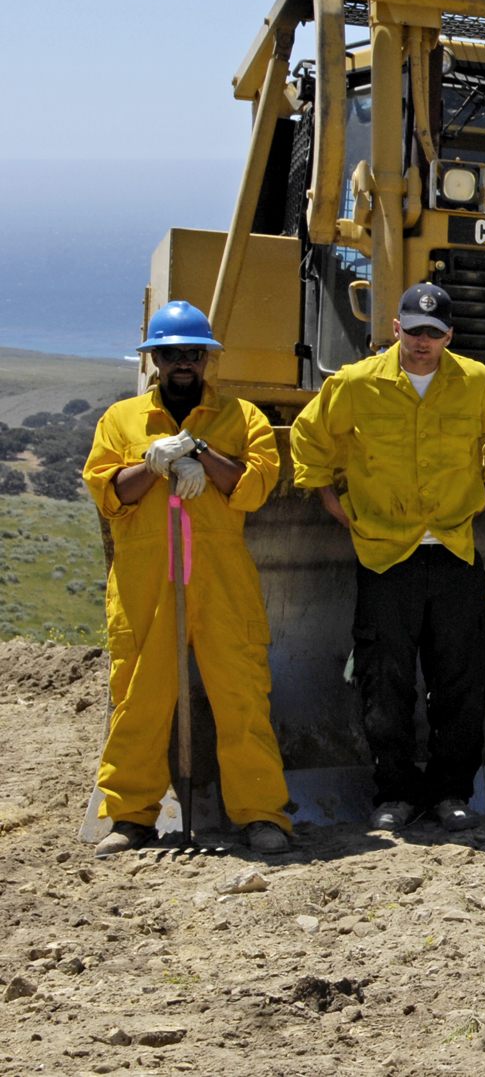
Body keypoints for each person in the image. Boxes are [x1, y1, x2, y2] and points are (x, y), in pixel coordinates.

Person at [292, 283, 485, 833]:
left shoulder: (478, 383)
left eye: (434, 333)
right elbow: (309, 441)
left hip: (454, 553)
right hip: (383, 558)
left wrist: (483, 498)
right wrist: (337, 506)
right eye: (414, 331)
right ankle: (394, 794)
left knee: (462, 680)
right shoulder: (354, 384)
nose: (423, 342)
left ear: (450, 336)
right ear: (395, 329)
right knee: (384, 679)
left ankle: (451, 794)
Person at [83, 302, 291, 857]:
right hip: (145, 584)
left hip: (221, 582)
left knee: (242, 698)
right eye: (171, 353)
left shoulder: (242, 417)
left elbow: (253, 486)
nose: (183, 363)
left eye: (193, 354)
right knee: (138, 702)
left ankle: (262, 814)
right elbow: (109, 494)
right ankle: (131, 817)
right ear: (153, 359)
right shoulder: (120, 421)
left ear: (207, 360)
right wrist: (151, 466)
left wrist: (199, 451)